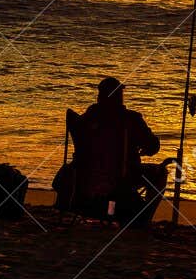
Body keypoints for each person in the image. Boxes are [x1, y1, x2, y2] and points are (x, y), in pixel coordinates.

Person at [70, 76, 165, 226]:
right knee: (159, 173)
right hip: (122, 179)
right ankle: (144, 216)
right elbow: (153, 146)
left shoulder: (87, 118)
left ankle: (115, 210)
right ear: (119, 96)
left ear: (100, 96)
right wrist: (144, 148)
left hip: (88, 179)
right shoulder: (131, 119)